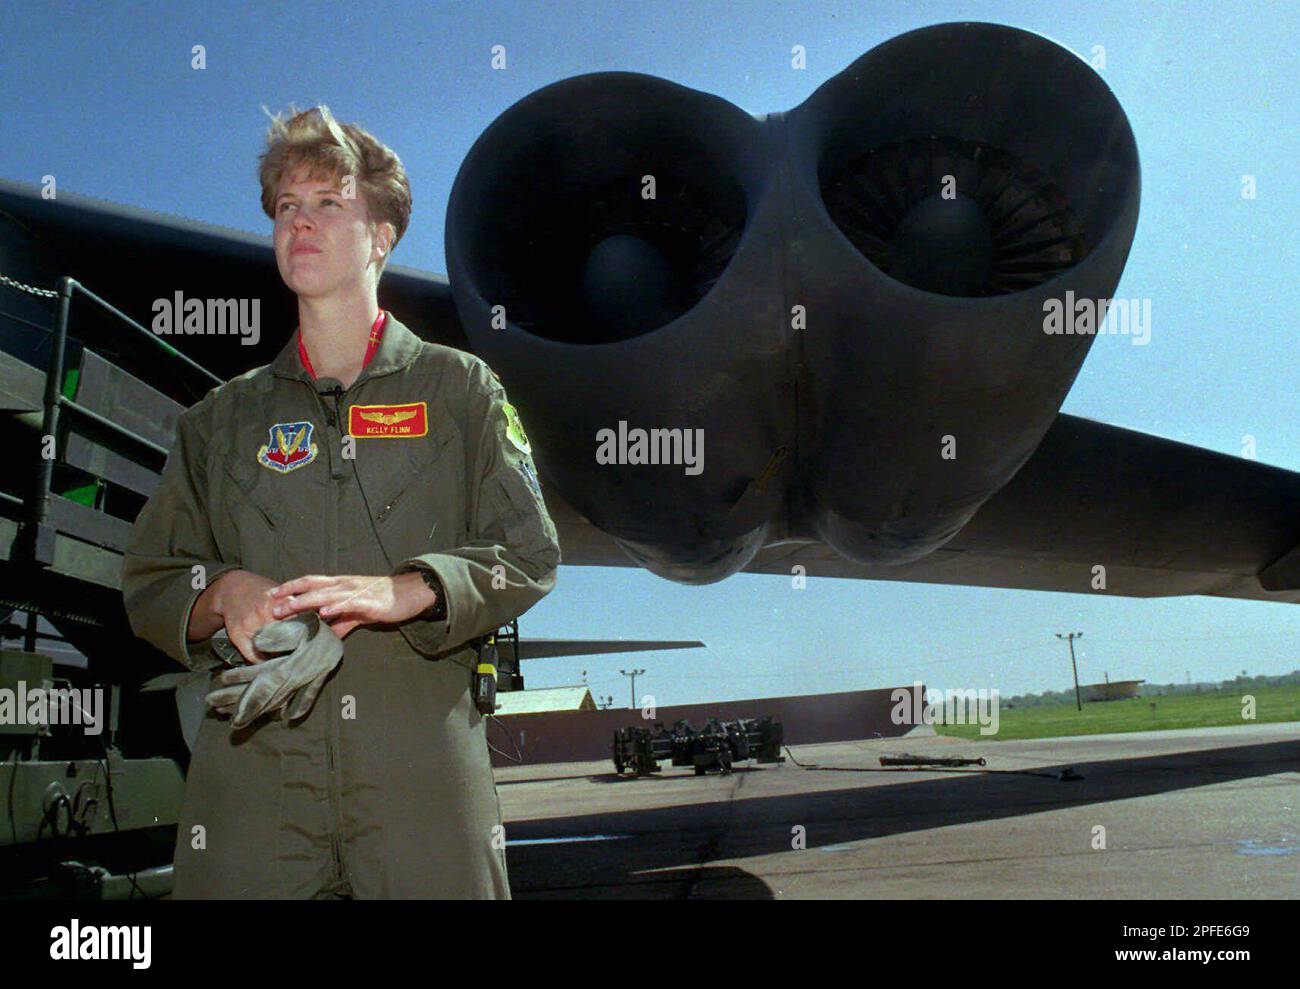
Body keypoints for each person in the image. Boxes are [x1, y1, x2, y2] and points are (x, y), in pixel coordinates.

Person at [121, 105, 560, 899]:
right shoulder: (218, 421)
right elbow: (151, 579)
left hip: (418, 765)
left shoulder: (461, 390)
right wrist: (223, 594)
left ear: (382, 234)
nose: (302, 222)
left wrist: (410, 588)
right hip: (254, 769)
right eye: (288, 207)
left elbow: (529, 552)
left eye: (329, 203)